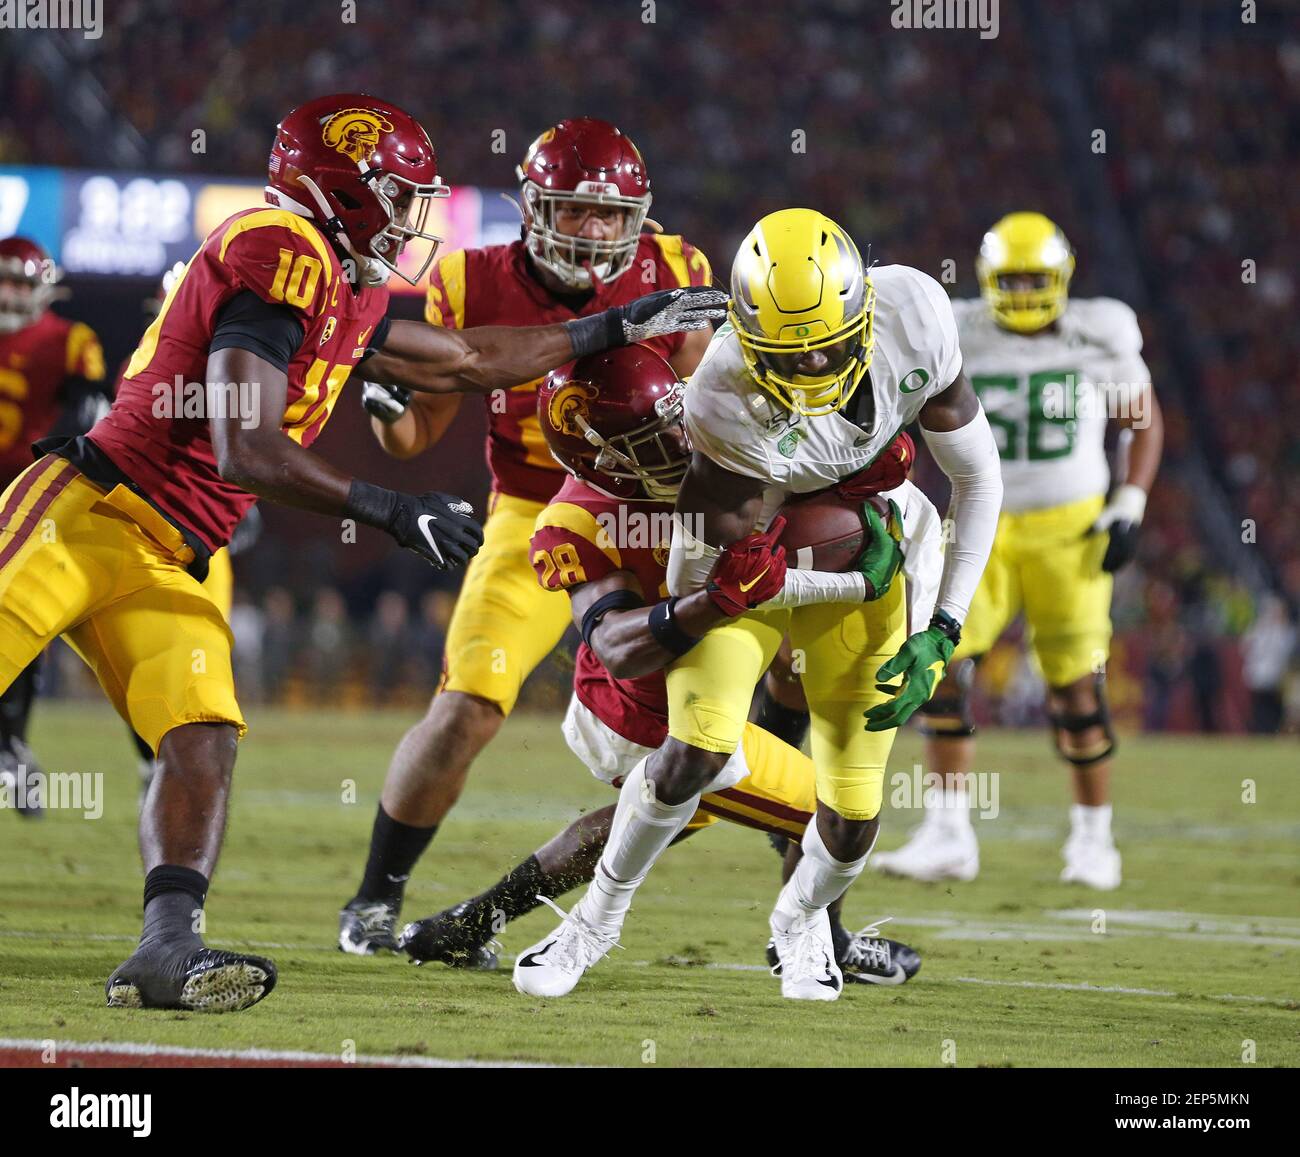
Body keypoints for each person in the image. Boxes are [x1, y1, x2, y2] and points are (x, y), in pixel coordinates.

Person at [0, 92, 724, 1013]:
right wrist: (390, 507)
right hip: (87, 514)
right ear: (341, 187)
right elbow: (243, 445)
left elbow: (463, 360)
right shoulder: (280, 249)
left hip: (165, 552)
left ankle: (163, 947)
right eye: (400, 191)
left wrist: (609, 329)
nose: (414, 212)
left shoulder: (343, 280)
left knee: (202, 735)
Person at [513, 208, 1002, 1001]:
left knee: (855, 809)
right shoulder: (718, 401)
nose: (811, 365)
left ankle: (801, 919)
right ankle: (591, 924)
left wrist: (942, 626)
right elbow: (757, 576)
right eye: (787, 352)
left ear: (867, 310)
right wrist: (854, 570)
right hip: (758, 576)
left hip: (870, 563)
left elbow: (978, 478)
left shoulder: (916, 315)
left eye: (827, 342)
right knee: (695, 751)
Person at [399, 345, 921, 987]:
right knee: (834, 810)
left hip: (695, 692)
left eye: (679, 414)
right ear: (605, 457)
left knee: (653, 818)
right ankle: (821, 942)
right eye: (657, 436)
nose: (682, 436)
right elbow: (616, 643)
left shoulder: (715, 441)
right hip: (639, 707)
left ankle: (470, 923)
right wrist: (717, 600)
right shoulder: (575, 520)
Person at [338, 118, 715, 955]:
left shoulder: (679, 271)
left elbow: (710, 414)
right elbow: (420, 428)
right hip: (533, 510)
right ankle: (375, 896)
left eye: (610, 216)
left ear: (638, 219)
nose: (593, 231)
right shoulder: (471, 281)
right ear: (534, 208)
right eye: (575, 212)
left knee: (722, 726)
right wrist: (390, 419)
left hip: (652, 513)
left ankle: (815, 915)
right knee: (465, 708)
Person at [875, 213, 1163, 891]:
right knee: (941, 663)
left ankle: (1094, 840)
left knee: (1076, 686)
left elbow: (1142, 419)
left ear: (1062, 277)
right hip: (984, 522)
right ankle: (948, 832)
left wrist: (1132, 500)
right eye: (1014, 278)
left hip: (1073, 529)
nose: (1028, 289)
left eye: (1038, 277)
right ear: (987, 279)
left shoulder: (1100, 333)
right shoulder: (960, 329)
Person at [0, 236, 108, 817]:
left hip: (28, 500)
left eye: (22, 282)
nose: (11, 293)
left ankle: (10, 742)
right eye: (4, 280)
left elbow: (86, 412)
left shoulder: (69, 341)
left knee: (19, 620)